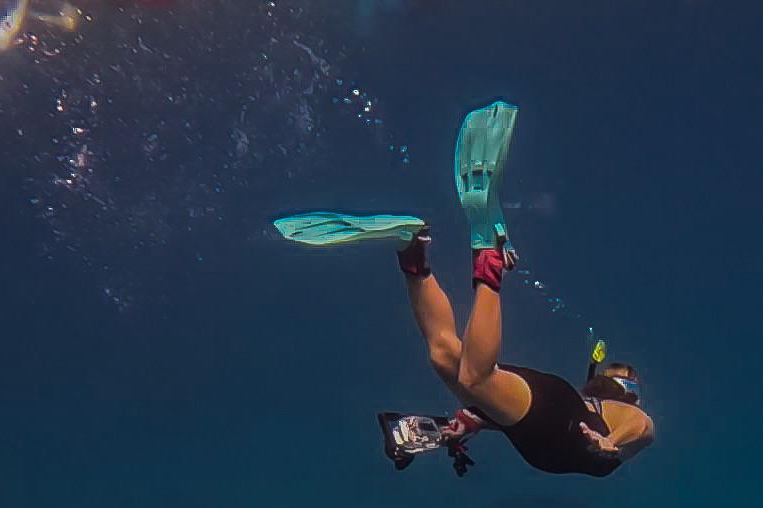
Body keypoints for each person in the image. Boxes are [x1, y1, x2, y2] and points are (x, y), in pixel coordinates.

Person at [273, 100, 654, 477]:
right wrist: (611, 444)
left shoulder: (591, 406)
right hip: (555, 420)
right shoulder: (624, 414)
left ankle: (412, 250)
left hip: (540, 412)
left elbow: (514, 412)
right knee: (476, 377)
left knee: (444, 355)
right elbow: (642, 428)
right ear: (629, 391)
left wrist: (472, 422)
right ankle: (489, 256)